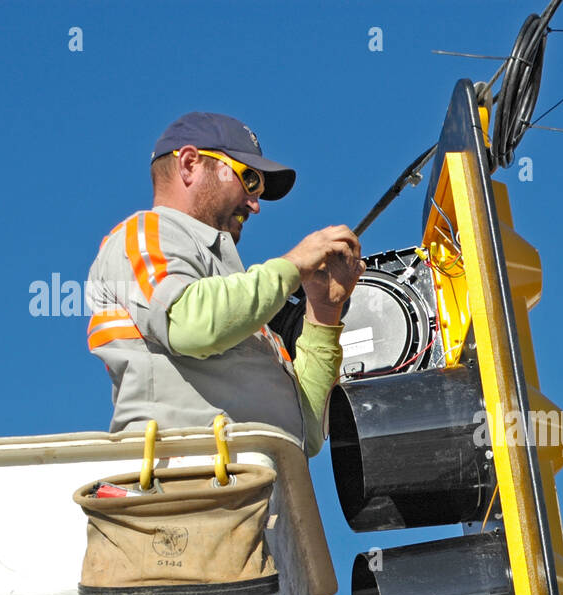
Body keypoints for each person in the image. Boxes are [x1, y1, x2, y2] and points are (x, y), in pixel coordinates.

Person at [84, 111, 365, 456]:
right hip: (187, 484)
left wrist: (324, 310)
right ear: (189, 164)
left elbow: (306, 430)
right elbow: (188, 324)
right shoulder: (144, 233)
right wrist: (293, 264)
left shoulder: (239, 302)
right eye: (249, 181)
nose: (255, 204)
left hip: (259, 492)